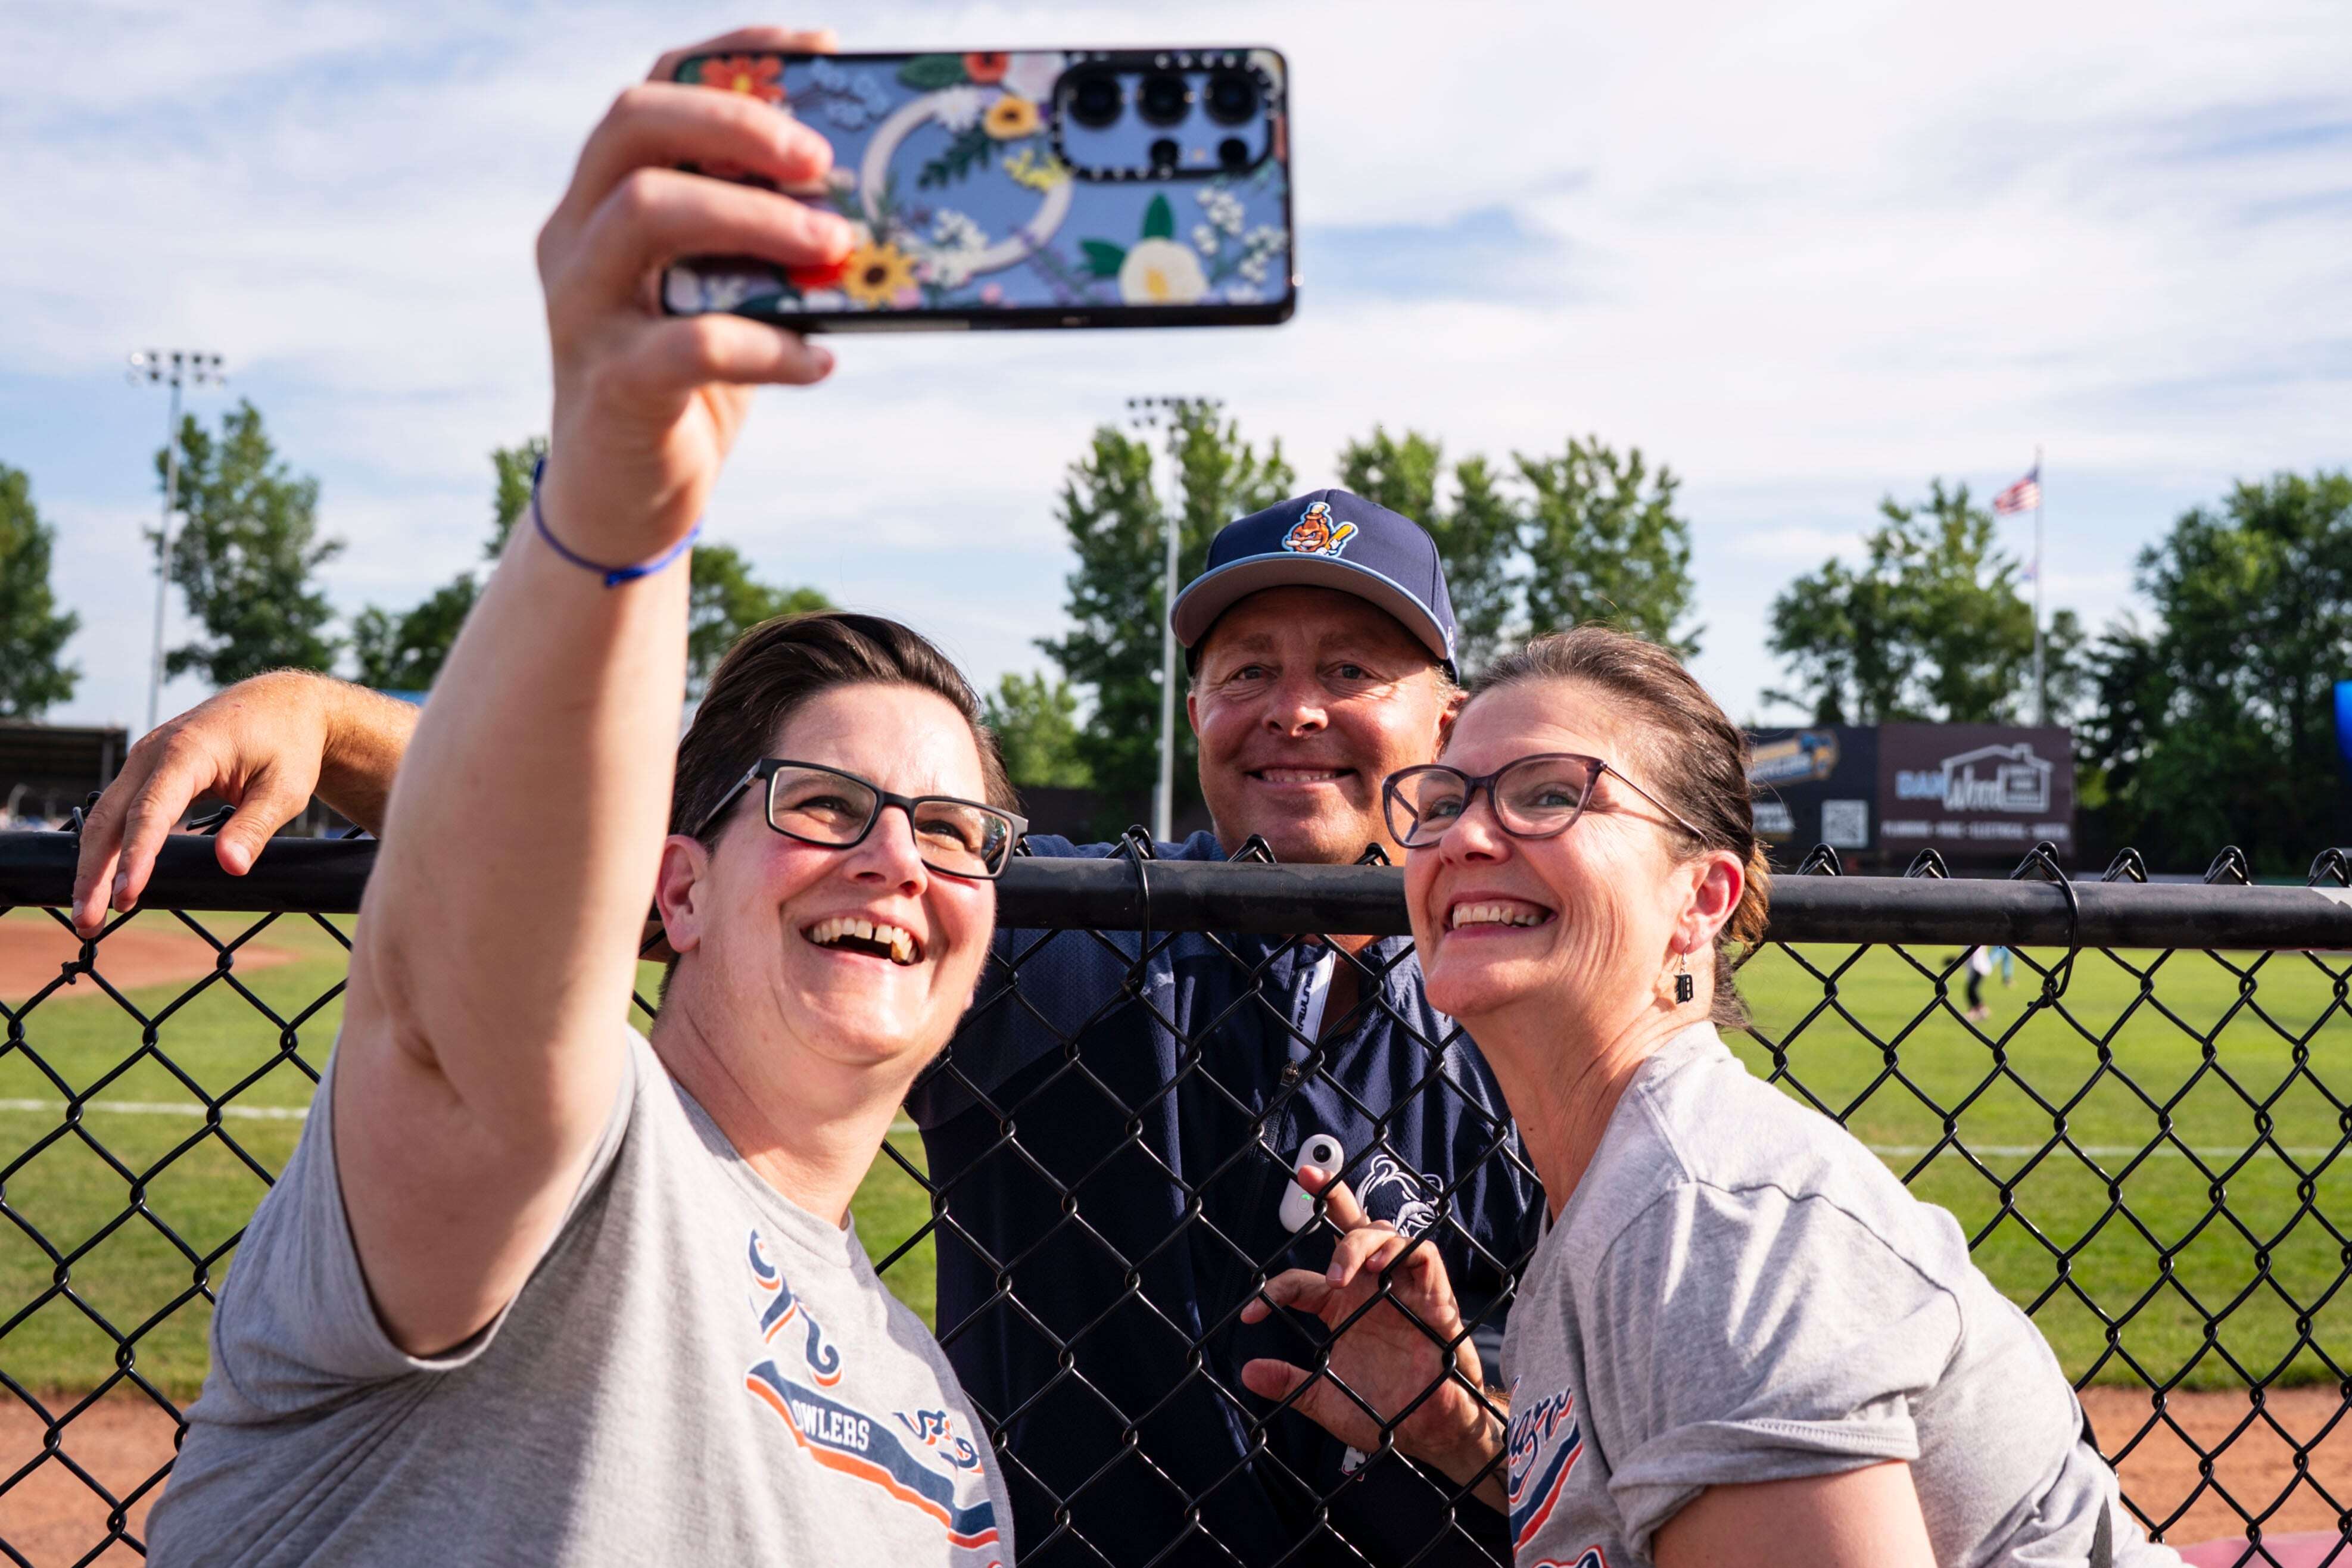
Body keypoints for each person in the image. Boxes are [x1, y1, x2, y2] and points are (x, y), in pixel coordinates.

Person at [86, 490, 1540, 1567]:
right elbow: (648, 841)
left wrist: (1464, 1430)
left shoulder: (1514, 1029)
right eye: (1246, 671)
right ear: (1199, 709)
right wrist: (329, 719)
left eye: (1350, 671)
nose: (1292, 710)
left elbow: (1616, 1468)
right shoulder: (1052, 935)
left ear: (1450, 719)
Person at [138, 28, 1022, 1566]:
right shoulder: (577, 1160)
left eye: (952, 833)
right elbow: (473, 1020)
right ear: (671, 889)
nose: (894, 857)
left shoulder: (943, 1437)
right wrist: (616, 492)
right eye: (822, 805)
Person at [1241, 625, 2181, 1566]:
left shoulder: (1707, 1227)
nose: (1468, 836)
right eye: (1445, 801)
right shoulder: (1626, 1198)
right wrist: (1456, 1430)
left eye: (1550, 795)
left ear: (1699, 896)